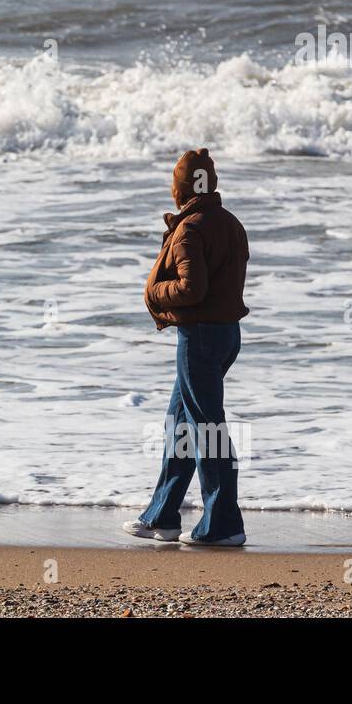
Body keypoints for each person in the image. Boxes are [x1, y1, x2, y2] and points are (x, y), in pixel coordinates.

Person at [123, 148, 250, 547]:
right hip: (226, 334)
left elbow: (192, 289)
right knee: (181, 425)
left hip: (199, 338)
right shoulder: (230, 223)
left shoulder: (190, 228)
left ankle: (224, 524)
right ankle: (162, 515)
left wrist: (155, 291)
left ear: (180, 189)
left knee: (207, 428)